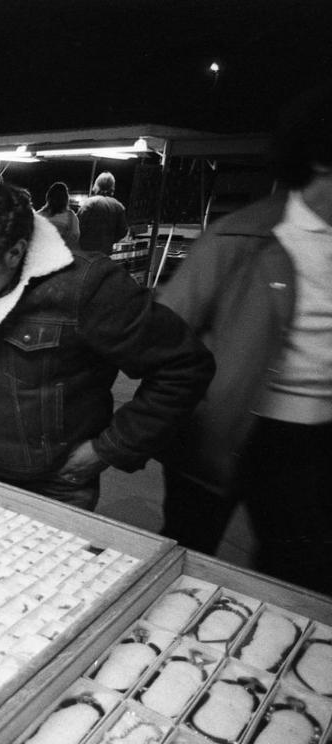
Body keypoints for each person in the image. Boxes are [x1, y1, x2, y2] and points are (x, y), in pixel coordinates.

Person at [0, 179, 213, 510]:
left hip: (56, 484)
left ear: (14, 252)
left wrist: (107, 448)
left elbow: (183, 367)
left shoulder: (87, 286)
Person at [157, 84, 332, 594]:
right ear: (321, 157)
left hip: (311, 446)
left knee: (296, 575)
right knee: (186, 558)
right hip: (216, 432)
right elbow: (163, 333)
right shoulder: (241, 238)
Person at [77, 172, 129, 255]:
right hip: (105, 254)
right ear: (112, 187)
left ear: (96, 184)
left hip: (85, 252)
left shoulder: (88, 204)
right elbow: (123, 231)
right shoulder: (118, 206)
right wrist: (109, 240)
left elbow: (77, 227)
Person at [37, 181, 80, 251]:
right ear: (65, 198)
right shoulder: (70, 216)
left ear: (48, 197)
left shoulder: (39, 215)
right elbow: (75, 236)